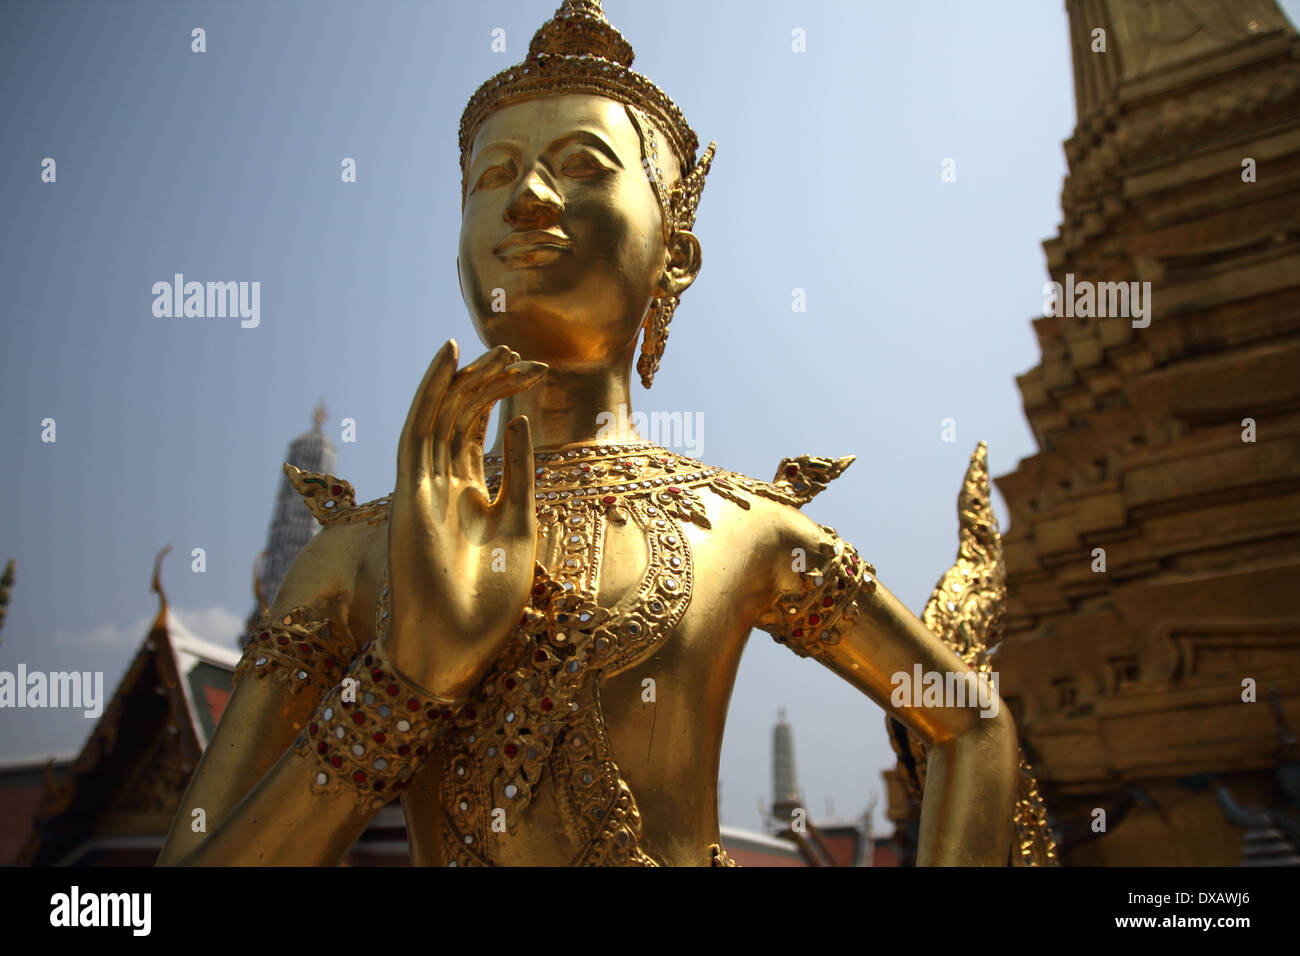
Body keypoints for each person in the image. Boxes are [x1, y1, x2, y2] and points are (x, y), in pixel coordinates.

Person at [158, 0, 1018, 867]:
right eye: (493, 175)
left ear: (673, 252)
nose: (528, 197)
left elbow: (969, 726)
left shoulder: (744, 529)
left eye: (579, 165)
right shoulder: (358, 554)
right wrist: (405, 682)